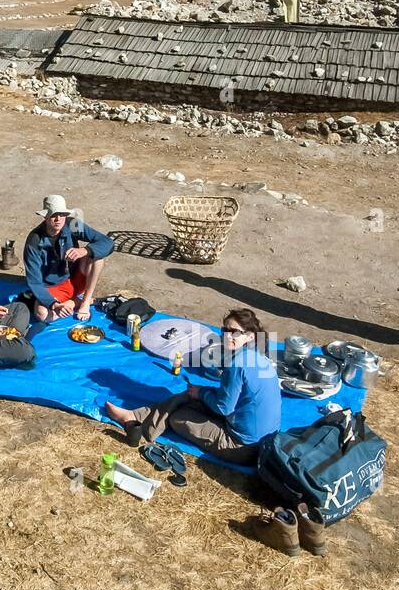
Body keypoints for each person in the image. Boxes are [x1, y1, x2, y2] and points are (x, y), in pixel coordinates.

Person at [104, 308, 281, 465]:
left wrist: (202, 394)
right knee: (190, 394)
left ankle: (137, 421)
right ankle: (135, 416)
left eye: (234, 332)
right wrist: (201, 393)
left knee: (178, 418)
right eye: (225, 330)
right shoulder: (261, 357)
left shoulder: (238, 364)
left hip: (243, 448)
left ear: (250, 336)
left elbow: (223, 408)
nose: (227, 336)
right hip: (263, 437)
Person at [23, 194, 114, 323]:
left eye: (62, 214)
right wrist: (54, 305)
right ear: (45, 216)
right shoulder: (34, 241)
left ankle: (85, 302)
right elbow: (34, 282)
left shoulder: (72, 224)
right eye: (53, 215)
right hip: (54, 287)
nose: (58, 219)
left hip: (75, 278)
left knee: (97, 256)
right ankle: (80, 302)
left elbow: (107, 242)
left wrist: (85, 250)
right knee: (42, 314)